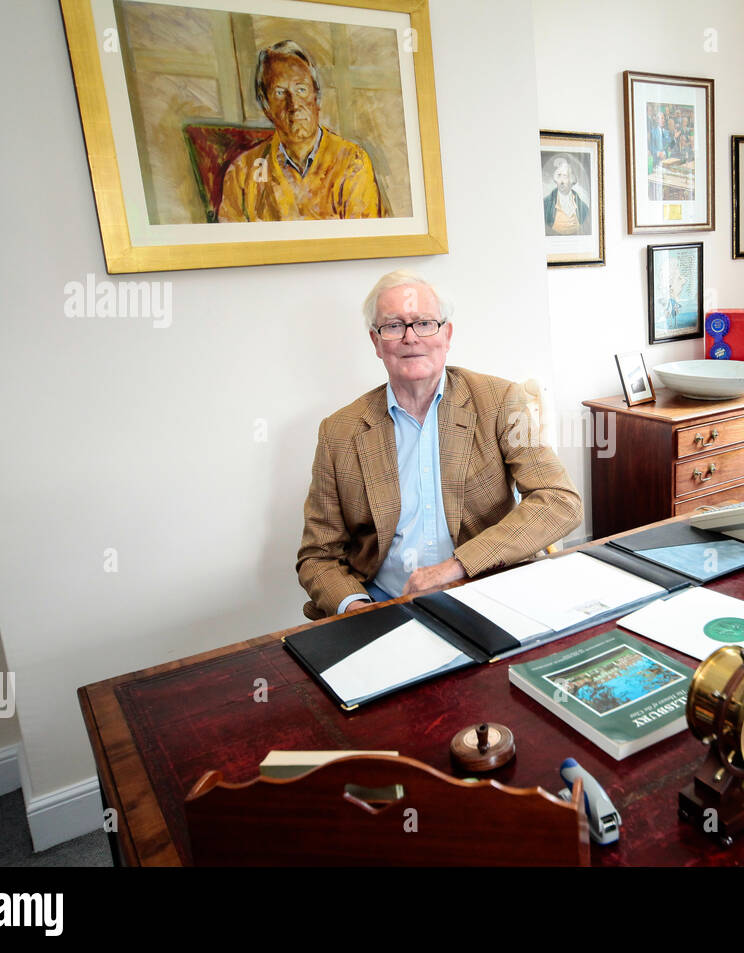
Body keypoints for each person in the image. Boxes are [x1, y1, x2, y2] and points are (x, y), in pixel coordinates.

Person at [296, 271, 583, 620]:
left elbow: (560, 500)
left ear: (447, 335)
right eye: (394, 326)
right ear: (376, 342)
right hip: (383, 604)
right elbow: (318, 555)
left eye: (424, 324)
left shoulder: (499, 401)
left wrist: (455, 567)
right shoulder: (339, 432)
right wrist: (359, 610)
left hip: (482, 589)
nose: (410, 338)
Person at [218, 41, 383, 221]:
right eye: (280, 93)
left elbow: (362, 242)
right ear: (266, 105)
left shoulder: (352, 162)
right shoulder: (242, 172)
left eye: (301, 90)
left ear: (316, 97)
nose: (294, 105)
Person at [542, 156, 590, 236]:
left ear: (572, 180)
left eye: (565, 176)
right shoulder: (546, 204)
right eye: (559, 176)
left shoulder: (582, 206)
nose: (561, 181)